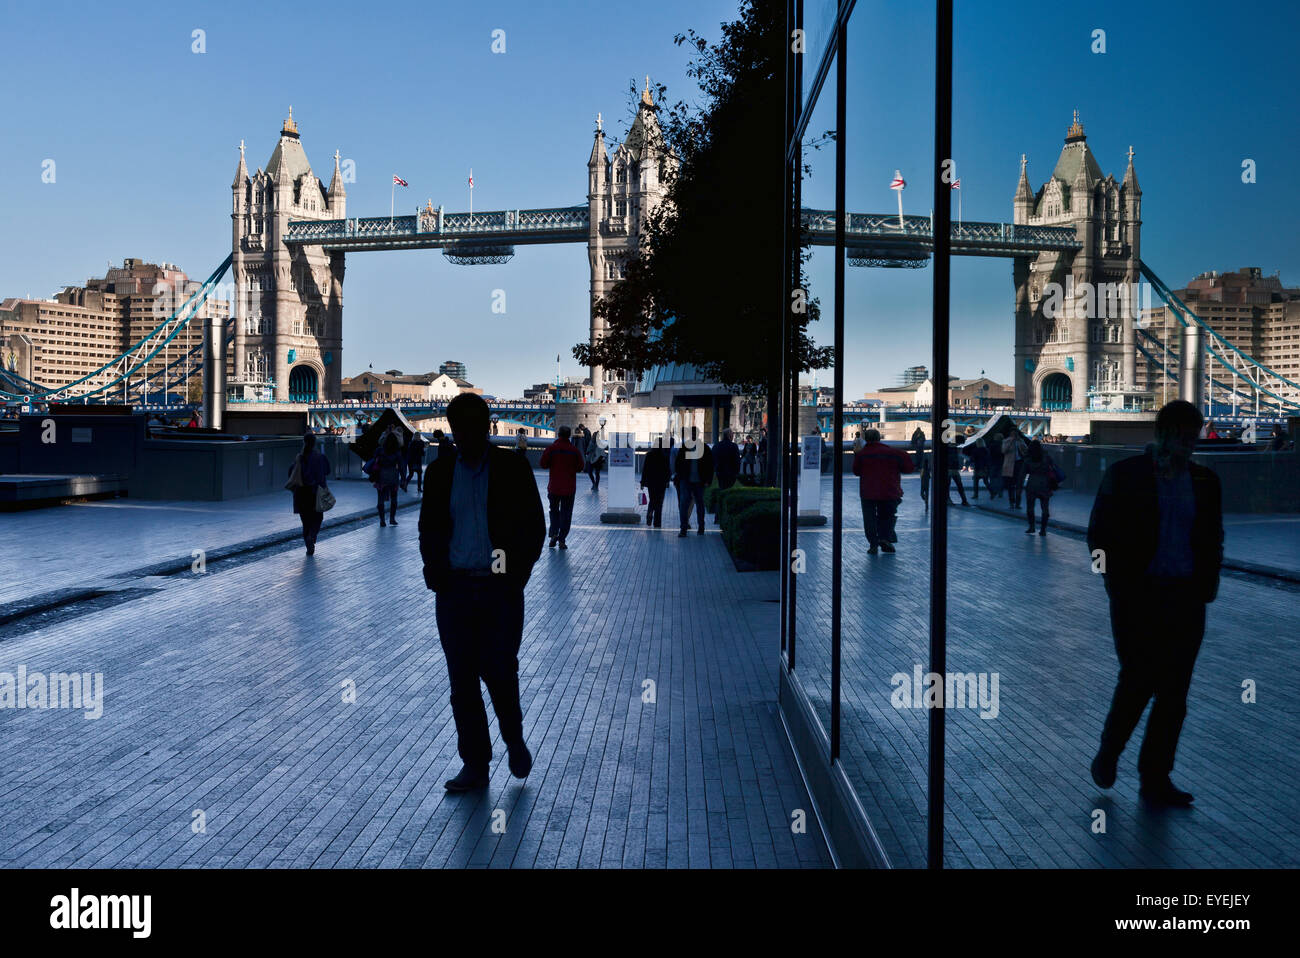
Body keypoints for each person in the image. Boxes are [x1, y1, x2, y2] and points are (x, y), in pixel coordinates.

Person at [1087, 400, 1224, 808]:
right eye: (1183, 434)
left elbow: (1212, 536)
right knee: (1137, 680)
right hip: (1138, 596)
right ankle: (1109, 753)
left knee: (1174, 694)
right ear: (1164, 432)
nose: (1189, 443)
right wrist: (1114, 585)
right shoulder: (1124, 475)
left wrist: (1208, 583)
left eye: (1193, 434)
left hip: (1186, 596)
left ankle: (1155, 777)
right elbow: (1098, 536)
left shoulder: (1205, 481)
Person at [417, 393, 546, 792]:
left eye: (471, 430)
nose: (464, 438)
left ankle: (513, 740)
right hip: (454, 589)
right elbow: (430, 528)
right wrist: (436, 570)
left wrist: (510, 575)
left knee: (501, 672)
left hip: (498, 590)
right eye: (458, 431)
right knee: (462, 682)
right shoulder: (439, 473)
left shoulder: (512, 467)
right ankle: (475, 764)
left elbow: (533, 528)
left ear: (486, 428)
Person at [851, 428, 914, 554]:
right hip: (889, 490)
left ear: (866, 439)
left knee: (869, 518)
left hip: (868, 491)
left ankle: (873, 544)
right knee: (887, 516)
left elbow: (856, 471)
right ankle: (885, 538)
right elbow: (908, 468)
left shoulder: (862, 455)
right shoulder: (893, 452)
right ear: (879, 438)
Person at [539, 425, 583, 549]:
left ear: (558, 434)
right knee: (566, 513)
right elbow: (580, 467)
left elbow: (543, 464)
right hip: (569, 488)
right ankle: (562, 539)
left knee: (554, 511)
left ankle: (554, 533)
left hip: (554, 487)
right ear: (569, 435)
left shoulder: (552, 448)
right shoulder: (574, 451)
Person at [288, 431, 331, 556]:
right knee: (318, 517)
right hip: (315, 492)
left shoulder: (299, 457)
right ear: (314, 443)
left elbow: (291, 473)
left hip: (301, 493)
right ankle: (312, 536)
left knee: (305, 521)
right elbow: (327, 471)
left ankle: (308, 546)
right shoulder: (320, 457)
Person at [673, 425, 714, 536]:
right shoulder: (687, 447)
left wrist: (707, 480)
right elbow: (678, 464)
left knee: (696, 504)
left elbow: (710, 466)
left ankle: (699, 527)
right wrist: (680, 476)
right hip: (687, 480)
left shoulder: (703, 448)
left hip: (698, 481)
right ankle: (684, 528)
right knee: (686, 504)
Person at [1022, 439, 1056, 535]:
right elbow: (1053, 467)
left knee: (1030, 507)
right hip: (1045, 484)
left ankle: (1032, 527)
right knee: (1045, 508)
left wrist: (1019, 486)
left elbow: (1022, 474)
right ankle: (1043, 529)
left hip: (1032, 484)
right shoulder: (1046, 457)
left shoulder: (1028, 459)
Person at [372, 432, 405, 527]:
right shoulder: (397, 451)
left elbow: (374, 461)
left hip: (381, 476)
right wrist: (403, 479)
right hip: (393, 475)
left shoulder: (380, 450)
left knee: (380, 499)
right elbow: (401, 466)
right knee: (394, 498)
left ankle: (382, 520)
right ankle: (392, 518)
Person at [641, 434, 672, 528]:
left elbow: (645, 469)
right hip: (661, 482)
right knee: (659, 502)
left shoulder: (649, 455)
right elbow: (668, 470)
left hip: (651, 482)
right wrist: (667, 481)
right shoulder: (664, 456)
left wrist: (642, 482)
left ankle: (649, 513)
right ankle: (657, 522)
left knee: (652, 500)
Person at [712, 428, 741, 523]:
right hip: (730, 475)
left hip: (720, 474)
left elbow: (713, 460)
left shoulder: (717, 446)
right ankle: (725, 516)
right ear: (729, 435)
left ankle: (717, 516)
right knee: (727, 495)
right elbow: (737, 462)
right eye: (732, 434)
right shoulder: (733, 446)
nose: (733, 436)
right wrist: (736, 473)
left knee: (721, 493)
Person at [1002, 428, 1027, 509]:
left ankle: (1018, 503)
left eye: (1015, 434)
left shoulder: (1020, 441)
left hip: (1019, 463)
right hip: (1010, 465)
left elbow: (1026, 450)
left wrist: (1020, 442)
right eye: (1013, 434)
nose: (1014, 435)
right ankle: (1011, 502)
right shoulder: (1006, 441)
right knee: (1011, 485)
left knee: (1019, 485)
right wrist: (1010, 442)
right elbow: (1003, 451)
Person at [946, 442, 971, 506]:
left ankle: (949, 500)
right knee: (959, 485)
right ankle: (964, 500)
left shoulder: (949, 449)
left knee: (949, 485)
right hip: (954, 469)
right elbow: (958, 457)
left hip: (950, 469)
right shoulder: (955, 449)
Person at [584, 425, 607, 491]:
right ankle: (594, 484)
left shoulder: (599, 443)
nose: (594, 437)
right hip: (591, 459)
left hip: (598, 460)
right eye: (594, 436)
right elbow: (588, 450)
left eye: (595, 436)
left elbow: (601, 451)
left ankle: (596, 485)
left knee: (597, 473)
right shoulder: (591, 442)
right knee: (590, 472)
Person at [986, 433, 1005, 499]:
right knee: (1000, 479)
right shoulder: (1003, 445)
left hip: (993, 463)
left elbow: (989, 455)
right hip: (1001, 463)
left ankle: (993, 492)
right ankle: (1000, 492)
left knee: (992, 479)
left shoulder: (991, 445)